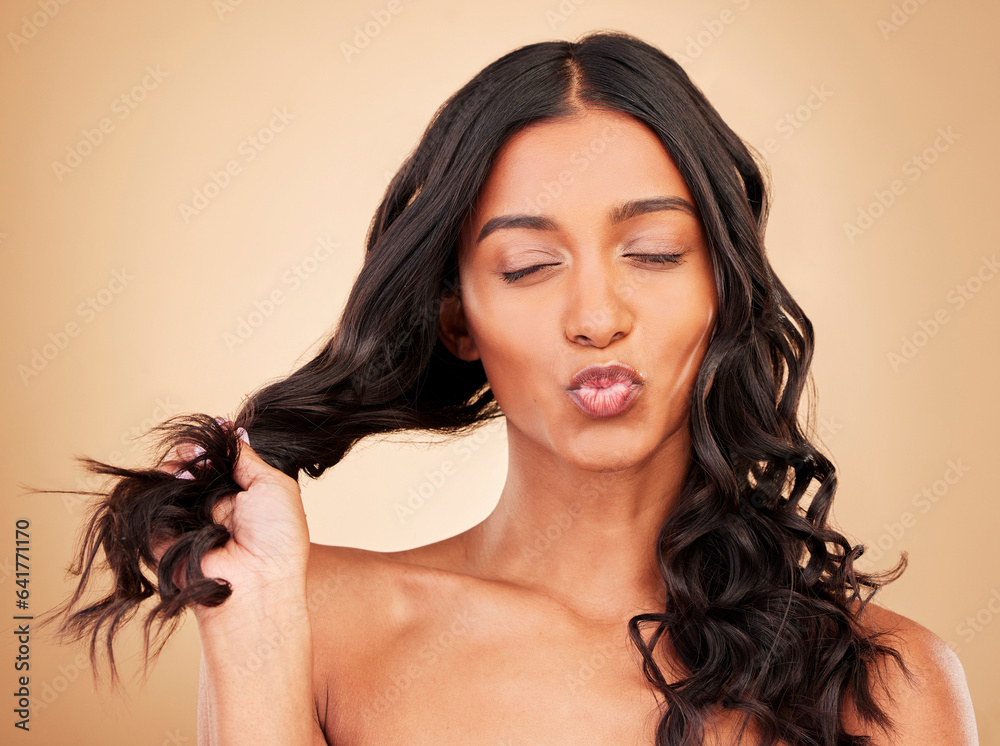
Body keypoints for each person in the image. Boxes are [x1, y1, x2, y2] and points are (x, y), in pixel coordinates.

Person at [44, 30, 976, 745]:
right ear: (460, 321)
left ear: (722, 290)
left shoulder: (886, 684)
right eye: (528, 266)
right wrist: (250, 631)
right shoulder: (315, 620)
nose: (596, 317)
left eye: (654, 253)